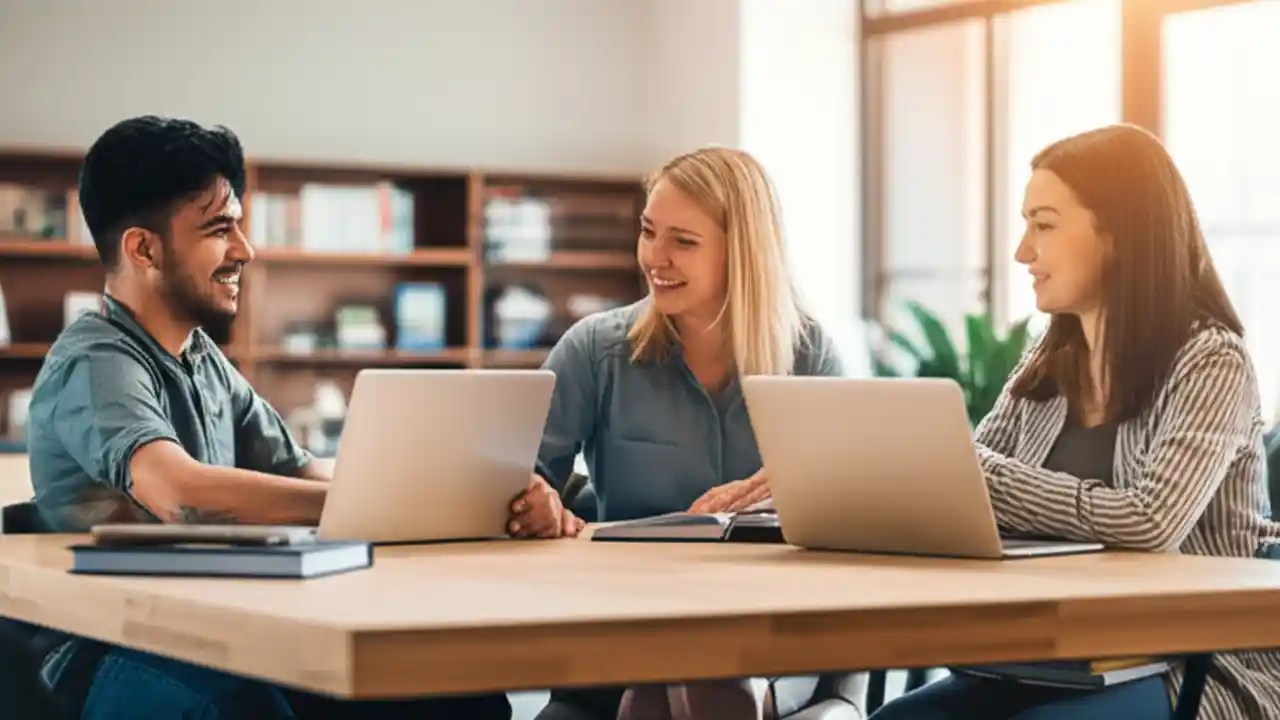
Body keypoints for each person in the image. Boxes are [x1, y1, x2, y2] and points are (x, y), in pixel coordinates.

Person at [25, 115, 510, 720]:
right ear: (144, 248)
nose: (245, 251)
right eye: (219, 229)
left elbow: (305, 472)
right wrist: (361, 503)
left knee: (456, 701)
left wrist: (459, 493)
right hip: (113, 646)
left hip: (211, 627)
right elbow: (180, 495)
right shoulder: (97, 358)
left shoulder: (202, 359)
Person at [871, 124, 1280, 720]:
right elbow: (962, 498)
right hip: (1051, 660)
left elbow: (1150, 521)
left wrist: (968, 469)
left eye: (1043, 224)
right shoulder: (1049, 361)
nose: (1022, 252)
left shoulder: (1212, 359)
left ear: (1119, 234)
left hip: (1185, 669)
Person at [507, 147, 861, 720]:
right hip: (629, 627)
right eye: (649, 232)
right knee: (680, 682)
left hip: (774, 635)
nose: (655, 257)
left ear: (742, 254)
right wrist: (533, 501)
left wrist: (797, 489)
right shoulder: (596, 352)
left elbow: (855, 510)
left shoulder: (811, 355)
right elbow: (509, 483)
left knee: (691, 684)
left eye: (683, 241)